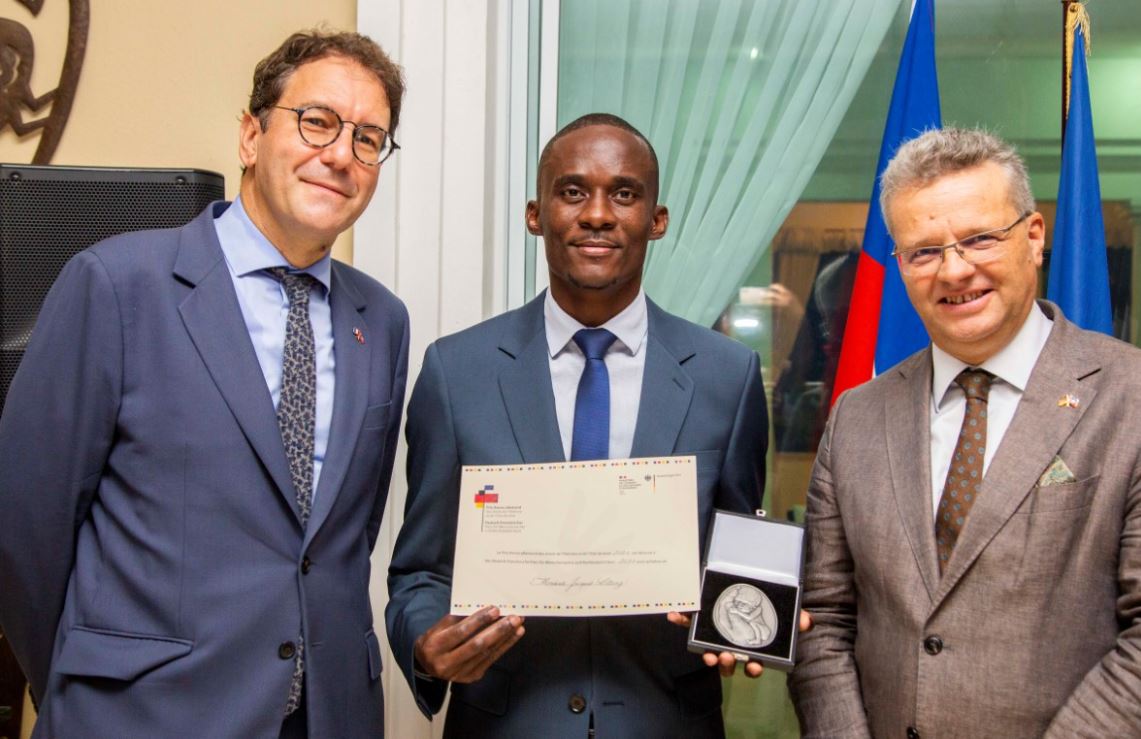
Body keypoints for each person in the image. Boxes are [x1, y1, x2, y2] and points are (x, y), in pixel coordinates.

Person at [0, 29, 408, 739]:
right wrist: (82, 686)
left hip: (326, 718)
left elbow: (337, 539)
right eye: (316, 121)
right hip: (143, 716)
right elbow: (23, 529)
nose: (340, 154)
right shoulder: (117, 284)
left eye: (368, 138)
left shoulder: (382, 320)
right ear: (250, 135)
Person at [386, 113, 769, 737]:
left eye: (624, 193)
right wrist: (427, 645)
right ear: (536, 214)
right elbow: (420, 570)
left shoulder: (728, 376)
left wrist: (743, 618)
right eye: (572, 191)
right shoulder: (458, 373)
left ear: (657, 219)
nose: (597, 213)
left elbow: (738, 554)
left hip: (666, 721)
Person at [789, 127, 1141, 738]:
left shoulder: (1128, 397)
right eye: (924, 251)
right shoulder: (856, 419)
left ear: (1033, 238)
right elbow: (824, 625)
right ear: (898, 265)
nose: (954, 270)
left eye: (979, 238)